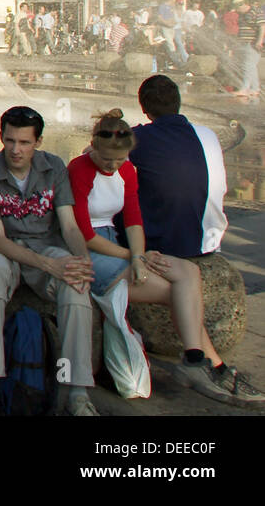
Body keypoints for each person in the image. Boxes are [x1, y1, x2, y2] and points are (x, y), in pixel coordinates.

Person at [68, 109, 262, 406]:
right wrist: (135, 257)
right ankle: (207, 363)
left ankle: (197, 359)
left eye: (120, 159)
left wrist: (139, 254)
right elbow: (84, 234)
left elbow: (133, 219)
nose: (112, 166)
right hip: (87, 251)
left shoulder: (127, 170)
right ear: (93, 146)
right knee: (176, 292)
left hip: (119, 245)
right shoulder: (79, 169)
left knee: (188, 272)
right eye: (106, 159)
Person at [0, 105, 97, 416]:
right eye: (10, 141)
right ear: (1, 137)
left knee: (76, 282)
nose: (15, 150)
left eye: (24, 143)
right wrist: (51, 266)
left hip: (46, 244)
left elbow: (69, 226)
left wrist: (82, 259)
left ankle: (77, 391)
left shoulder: (54, 168)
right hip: (3, 250)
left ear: (38, 142)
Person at [127, 75, 228, 260]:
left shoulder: (140, 137)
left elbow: (97, 153)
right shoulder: (207, 134)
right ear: (178, 102)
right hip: (210, 238)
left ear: (144, 108)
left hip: (166, 243)